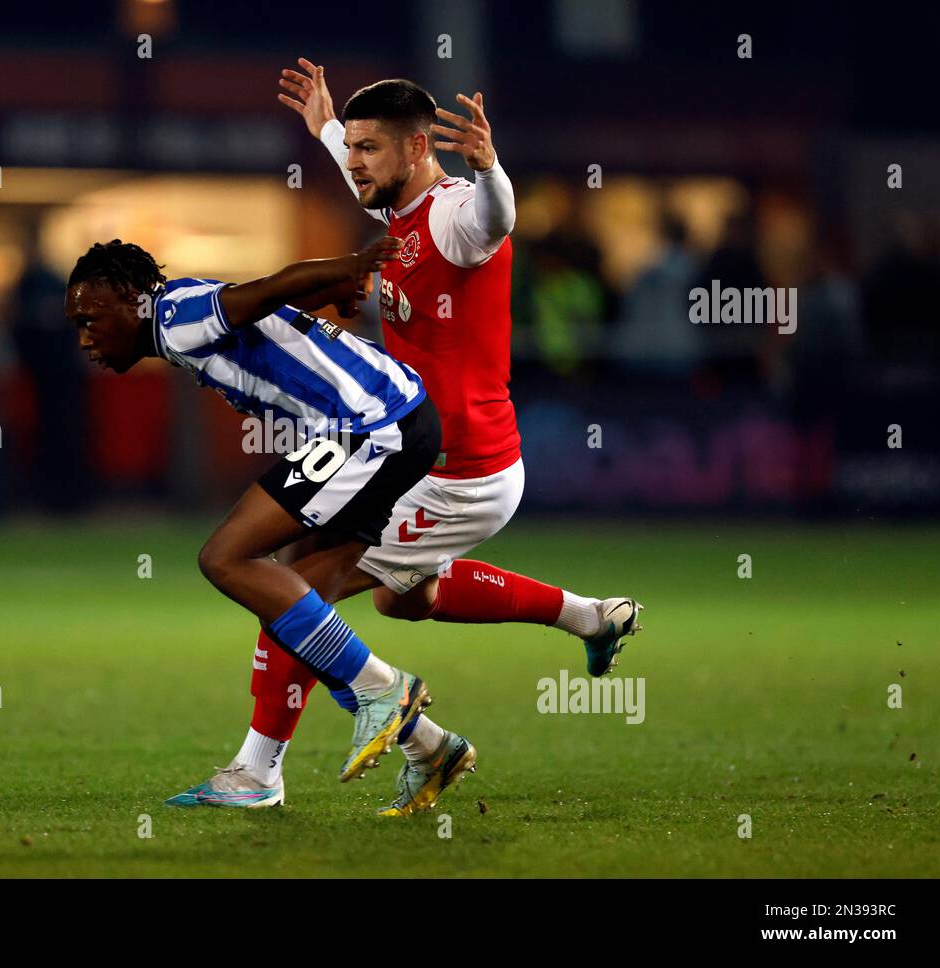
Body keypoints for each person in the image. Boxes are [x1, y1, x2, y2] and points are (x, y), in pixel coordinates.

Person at [166, 64, 642, 815]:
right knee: (401, 600)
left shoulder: (455, 213)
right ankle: (585, 620)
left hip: (461, 470)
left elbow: (498, 218)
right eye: (350, 147)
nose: (353, 162)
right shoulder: (397, 206)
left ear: (420, 148)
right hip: (426, 459)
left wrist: (491, 170)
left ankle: (261, 770)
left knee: (299, 585)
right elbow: (362, 160)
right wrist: (325, 124)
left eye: (367, 149)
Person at [66, 236, 462, 787]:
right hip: (396, 421)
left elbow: (272, 286)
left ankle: (383, 690)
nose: (84, 339)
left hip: (372, 425)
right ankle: (427, 745)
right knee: (297, 601)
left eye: (90, 319)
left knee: (225, 558)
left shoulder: (177, 318)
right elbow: (270, 306)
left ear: (132, 300)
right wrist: (338, 285)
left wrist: (344, 266)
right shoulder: (178, 315)